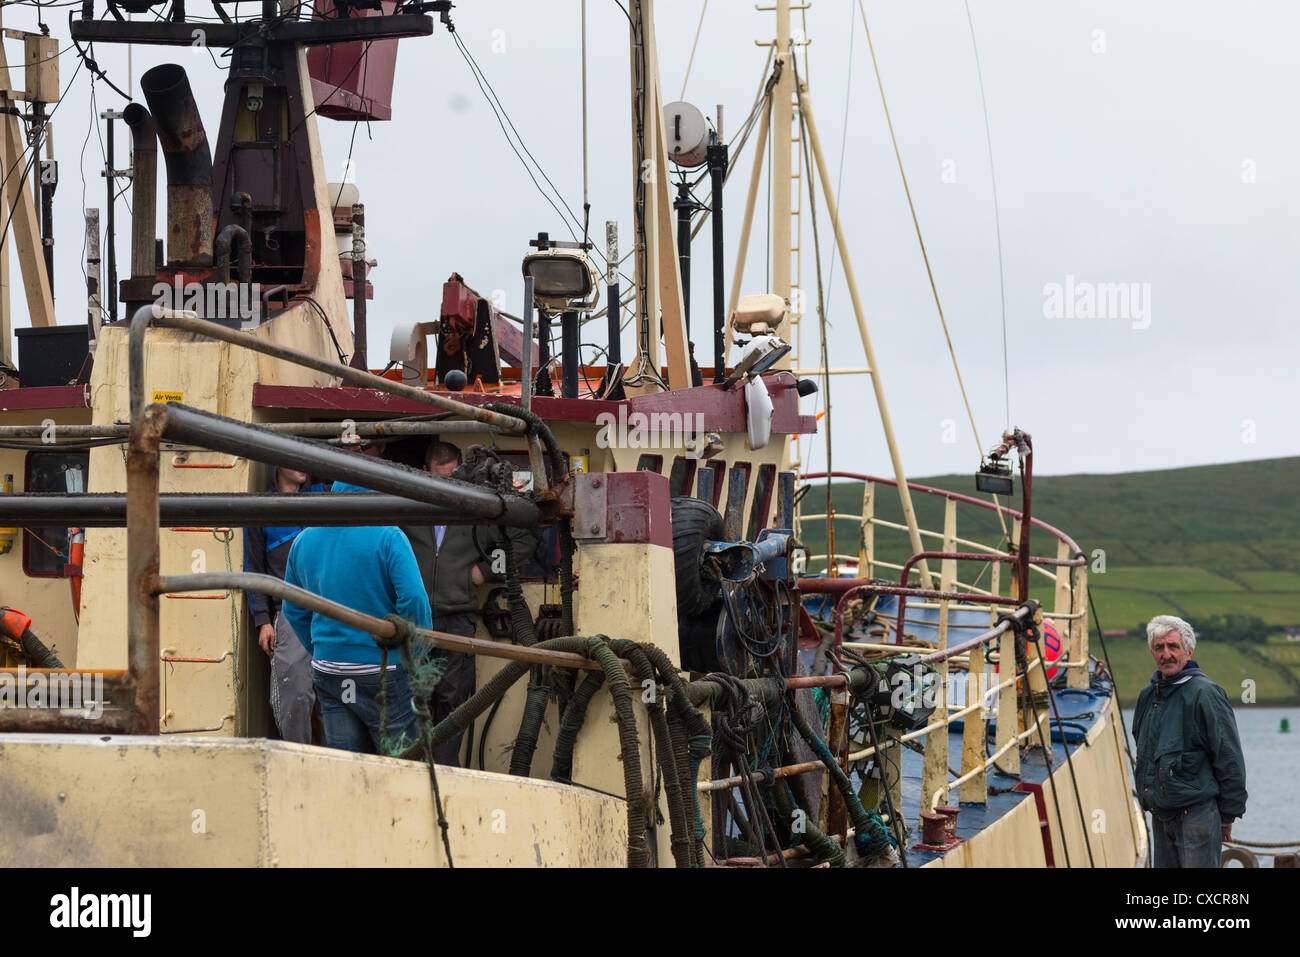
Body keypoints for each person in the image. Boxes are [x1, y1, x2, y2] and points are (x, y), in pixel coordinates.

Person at [400, 439, 534, 765]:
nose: (447, 487)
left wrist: (486, 570)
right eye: (439, 479)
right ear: (424, 472)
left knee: (452, 701)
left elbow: (524, 537)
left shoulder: (477, 510)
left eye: (452, 479)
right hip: (412, 619)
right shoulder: (407, 509)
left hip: (457, 618)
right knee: (410, 697)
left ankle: (445, 772)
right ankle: (412, 769)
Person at [282, 479, 433, 754]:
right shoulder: (389, 536)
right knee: (402, 765)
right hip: (383, 669)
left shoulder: (303, 541)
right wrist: (417, 650)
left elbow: (292, 609)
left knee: (348, 764)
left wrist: (321, 648)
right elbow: (413, 597)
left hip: (329, 669)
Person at [1133, 614, 1247, 868]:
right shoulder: (1147, 696)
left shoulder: (1206, 693)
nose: (1166, 654)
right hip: (1160, 816)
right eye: (1159, 647)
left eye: (1173, 646)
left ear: (1188, 651)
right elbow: (1143, 750)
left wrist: (1228, 814)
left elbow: (1229, 757)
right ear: (1152, 652)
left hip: (1198, 816)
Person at [243, 466, 327, 744]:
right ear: (277, 466)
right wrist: (263, 620)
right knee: (295, 692)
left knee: (334, 690)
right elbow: (254, 568)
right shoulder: (262, 509)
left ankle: (336, 757)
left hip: (329, 610)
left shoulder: (322, 496)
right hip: (289, 612)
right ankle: (297, 754)